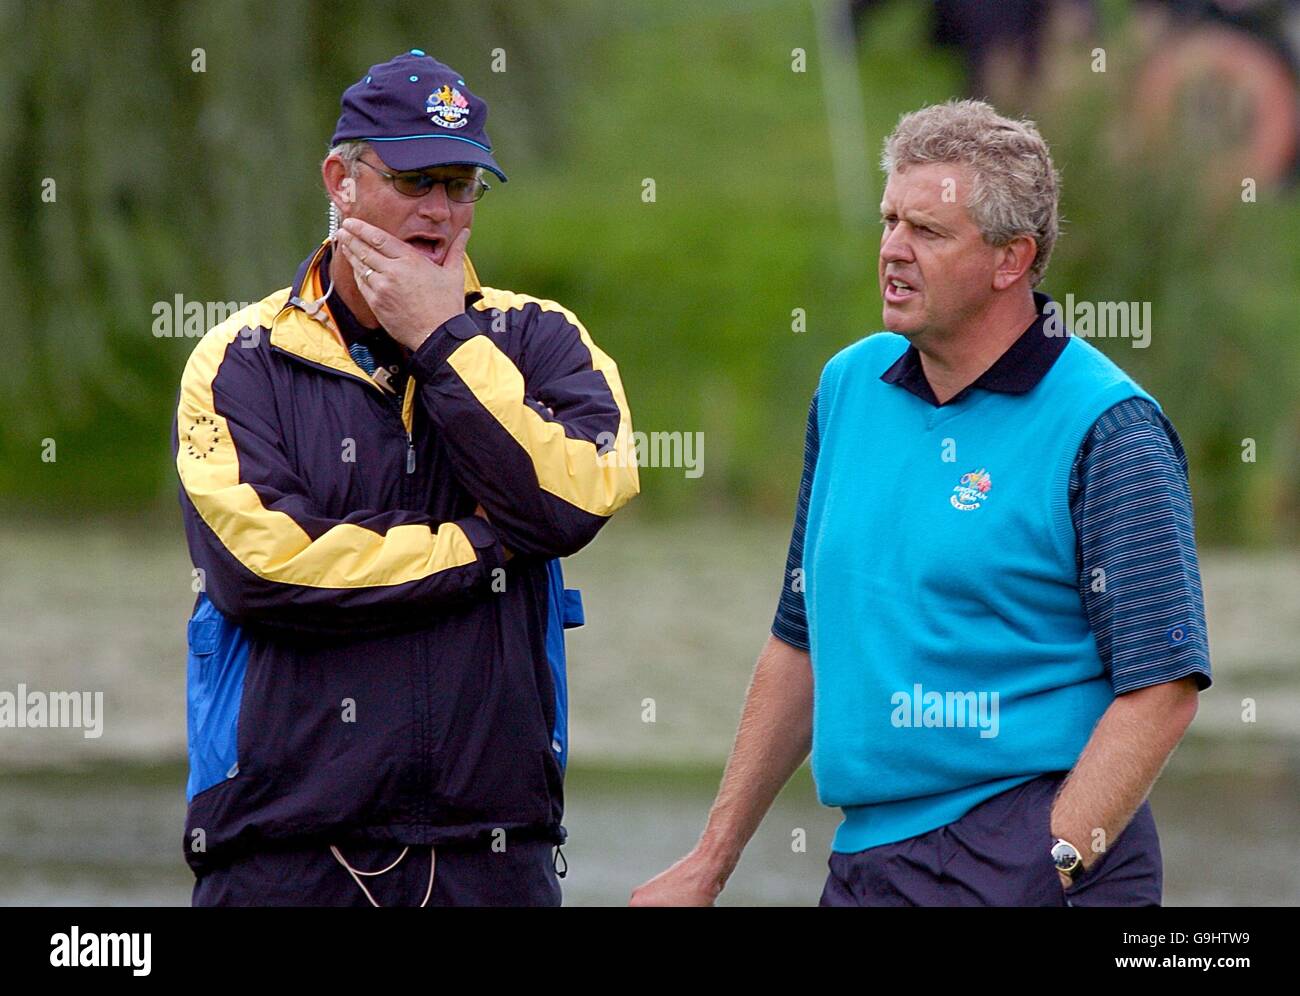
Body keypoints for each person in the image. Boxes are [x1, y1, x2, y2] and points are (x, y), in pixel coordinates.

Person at [632, 99, 1211, 907]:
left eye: (928, 233)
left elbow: (1162, 688)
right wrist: (710, 863)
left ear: (1013, 259)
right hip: (870, 856)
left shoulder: (1108, 426)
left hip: (1030, 846)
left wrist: (1054, 864)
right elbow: (800, 644)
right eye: (889, 221)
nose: (893, 252)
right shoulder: (847, 388)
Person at [172, 50, 639, 906]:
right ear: (339, 182)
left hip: (494, 851)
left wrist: (443, 342)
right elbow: (265, 569)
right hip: (286, 855)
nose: (440, 212)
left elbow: (572, 498)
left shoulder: (538, 339)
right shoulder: (241, 358)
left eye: (462, 186)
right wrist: (485, 544)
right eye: (415, 179)